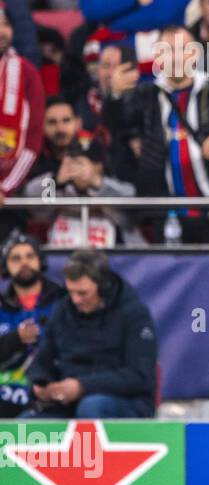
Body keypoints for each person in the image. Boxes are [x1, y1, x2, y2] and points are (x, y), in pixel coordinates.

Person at [110, 25, 209, 243]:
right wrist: (114, 96)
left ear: (197, 53)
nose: (177, 58)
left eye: (184, 49)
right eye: (169, 50)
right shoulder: (147, 94)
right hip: (165, 212)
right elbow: (117, 125)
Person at [19, 249, 157, 419]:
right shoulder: (63, 309)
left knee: (91, 407)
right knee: (25, 424)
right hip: (70, 403)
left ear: (103, 286)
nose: (75, 300)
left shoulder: (134, 314)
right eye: (71, 292)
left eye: (82, 293)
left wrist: (82, 386)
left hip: (126, 402)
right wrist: (40, 384)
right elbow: (42, 361)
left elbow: (139, 375)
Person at [22, 140, 142, 246]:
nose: (78, 170)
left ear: (99, 166)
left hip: (113, 257)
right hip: (62, 258)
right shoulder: (56, 188)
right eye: (75, 163)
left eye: (84, 164)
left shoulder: (111, 186)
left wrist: (98, 183)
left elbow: (131, 198)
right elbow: (30, 195)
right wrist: (56, 180)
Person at [0, 233, 66, 418]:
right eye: (16, 258)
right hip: (7, 392)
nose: (24, 263)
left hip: (51, 388)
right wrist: (15, 339)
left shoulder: (64, 300)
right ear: (5, 266)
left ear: (40, 261)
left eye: (30, 256)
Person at [0, 2, 44, 205]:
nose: (2, 31)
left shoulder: (27, 73)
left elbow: (33, 140)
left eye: (6, 24)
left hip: (10, 193)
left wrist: (5, 188)